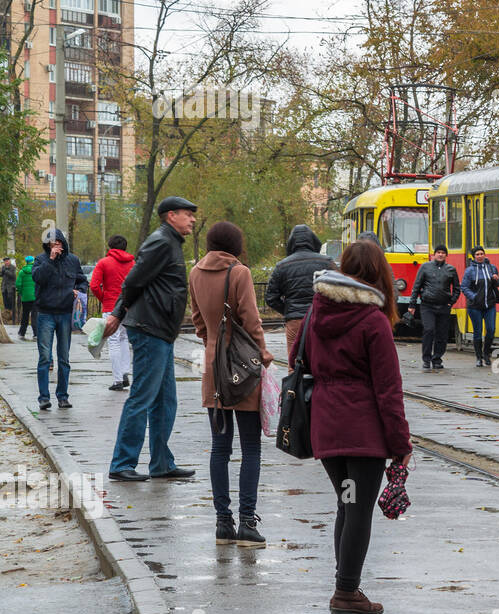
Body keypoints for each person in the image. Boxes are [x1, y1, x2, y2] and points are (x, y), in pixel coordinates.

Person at [301, 241, 412, 614]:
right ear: (378, 272)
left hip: (326, 427)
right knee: (357, 511)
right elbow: (388, 389)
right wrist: (401, 443)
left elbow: (303, 364)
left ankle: (346, 587)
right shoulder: (373, 321)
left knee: (346, 506)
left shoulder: (315, 312)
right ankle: (346, 593)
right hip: (362, 433)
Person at [189, 222, 274, 547]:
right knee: (251, 447)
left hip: (213, 368)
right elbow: (251, 319)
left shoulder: (195, 272)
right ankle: (248, 523)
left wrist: (213, 340)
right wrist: (263, 352)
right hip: (242, 368)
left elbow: (197, 319)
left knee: (220, 448)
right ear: (235, 243)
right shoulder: (239, 273)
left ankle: (223, 523)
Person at [105, 196, 200, 482]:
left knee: (165, 400)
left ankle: (161, 462)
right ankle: (122, 463)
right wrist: (118, 313)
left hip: (161, 330)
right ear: (171, 215)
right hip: (149, 328)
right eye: (187, 214)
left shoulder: (169, 241)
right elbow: (134, 280)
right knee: (142, 397)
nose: (193, 219)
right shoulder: (161, 241)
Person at [31, 230, 88, 411]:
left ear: (63, 242)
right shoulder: (41, 260)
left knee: (64, 358)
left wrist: (79, 290)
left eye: (57, 242)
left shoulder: (73, 260)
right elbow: (38, 277)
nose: (55, 245)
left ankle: (63, 396)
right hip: (45, 313)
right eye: (51, 243)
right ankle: (43, 398)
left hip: (65, 313)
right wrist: (51, 259)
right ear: (47, 245)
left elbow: (82, 280)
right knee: (45, 358)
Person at [266, 224, 335, 362]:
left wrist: (288, 310)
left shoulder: (282, 266)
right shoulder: (327, 262)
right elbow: (338, 291)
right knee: (322, 362)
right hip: (321, 318)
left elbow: (271, 297)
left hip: (295, 321)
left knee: (295, 363)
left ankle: (294, 384)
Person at [90, 235, 135, 390]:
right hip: (129, 307)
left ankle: (117, 380)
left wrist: (104, 299)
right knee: (123, 339)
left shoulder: (104, 263)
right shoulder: (133, 263)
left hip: (110, 307)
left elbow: (94, 286)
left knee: (113, 341)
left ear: (110, 247)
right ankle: (125, 372)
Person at [411, 244, 460, 370]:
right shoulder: (425, 267)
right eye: (438, 252)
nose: (440, 254)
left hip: (444, 306)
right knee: (429, 330)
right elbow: (417, 286)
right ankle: (426, 358)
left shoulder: (451, 270)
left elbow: (456, 289)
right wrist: (412, 304)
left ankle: (437, 358)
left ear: (446, 255)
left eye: (443, 252)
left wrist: (451, 302)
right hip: (427, 305)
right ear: (434, 254)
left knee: (442, 334)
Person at [462, 246, 499, 368]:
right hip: (475, 306)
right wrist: (473, 297)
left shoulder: (492, 267)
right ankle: (478, 357)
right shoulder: (469, 271)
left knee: (491, 329)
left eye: (481, 254)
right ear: (474, 257)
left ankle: (486, 354)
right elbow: (464, 287)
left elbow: (498, 283)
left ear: (484, 255)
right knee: (477, 332)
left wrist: (496, 279)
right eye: (477, 254)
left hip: (490, 305)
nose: (480, 256)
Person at [16, 256, 36, 340]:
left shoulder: (21, 272)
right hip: (35, 297)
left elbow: (18, 284)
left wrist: (21, 292)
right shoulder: (36, 270)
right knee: (35, 316)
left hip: (25, 298)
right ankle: (36, 334)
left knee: (25, 315)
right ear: (33, 261)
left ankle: (22, 333)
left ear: (26, 262)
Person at [2, 257, 15, 323]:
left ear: (9, 261)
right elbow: (1, 275)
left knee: (11, 302)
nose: (6, 262)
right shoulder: (3, 267)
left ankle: (12, 316)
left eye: (7, 261)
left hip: (10, 288)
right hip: (4, 288)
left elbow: (13, 276)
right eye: (5, 261)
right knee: (5, 302)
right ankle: (6, 317)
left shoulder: (12, 267)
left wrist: (6, 271)